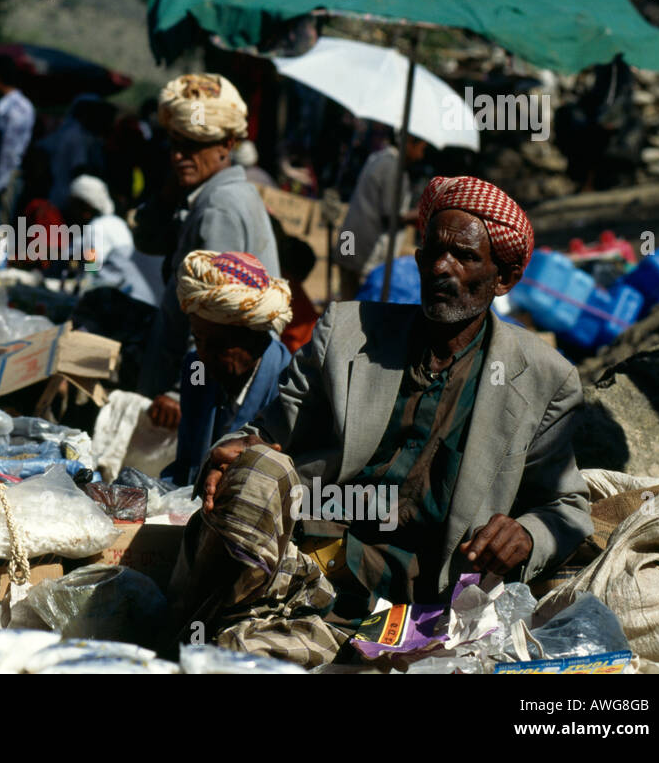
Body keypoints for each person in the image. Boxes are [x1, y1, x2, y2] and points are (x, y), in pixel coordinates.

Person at [169, 176, 592, 667]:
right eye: (432, 251)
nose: (441, 267)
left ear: (504, 278)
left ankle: (239, 636)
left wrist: (527, 534)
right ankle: (222, 621)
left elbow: (565, 504)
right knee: (259, 470)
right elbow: (266, 434)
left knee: (238, 654)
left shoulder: (544, 378)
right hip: (309, 563)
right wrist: (232, 452)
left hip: (417, 608)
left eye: (464, 257)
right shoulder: (345, 333)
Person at [133, 73, 281, 430]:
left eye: (194, 146)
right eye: (176, 145)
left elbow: (211, 313)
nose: (181, 155)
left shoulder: (219, 207)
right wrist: (169, 192)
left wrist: (181, 392)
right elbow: (147, 239)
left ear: (226, 145)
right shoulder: (213, 196)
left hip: (205, 389)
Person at [162, 250, 293, 487]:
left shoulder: (290, 386)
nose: (203, 354)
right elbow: (186, 466)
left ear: (254, 337)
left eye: (217, 345)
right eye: (197, 339)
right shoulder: (197, 369)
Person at [335, 133, 428, 300]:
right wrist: (419, 214)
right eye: (421, 148)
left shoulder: (380, 157)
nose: (421, 155)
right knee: (357, 306)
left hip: (351, 243)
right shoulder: (393, 167)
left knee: (347, 300)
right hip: (365, 251)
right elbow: (390, 215)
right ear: (410, 143)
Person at [63, 174, 154, 304]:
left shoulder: (96, 228)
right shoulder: (115, 222)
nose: (71, 210)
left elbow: (92, 267)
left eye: (74, 204)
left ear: (86, 205)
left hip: (125, 299)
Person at [0, 54, 35, 223]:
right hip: (0, 178)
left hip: (6, 179)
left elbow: (9, 152)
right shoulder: (8, 106)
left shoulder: (16, 108)